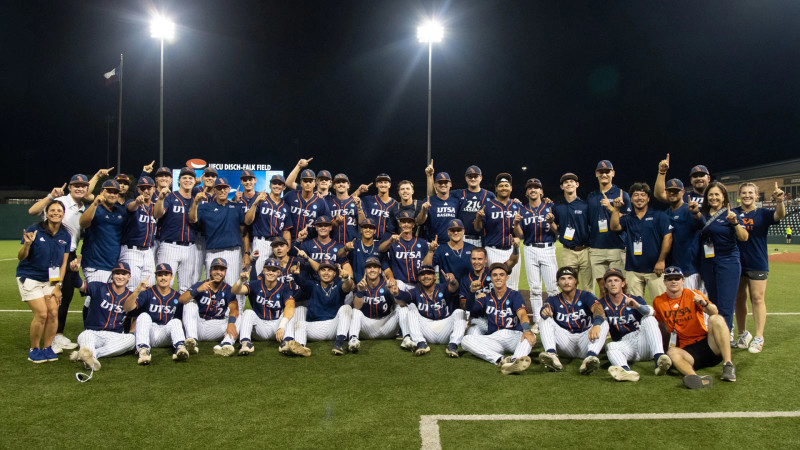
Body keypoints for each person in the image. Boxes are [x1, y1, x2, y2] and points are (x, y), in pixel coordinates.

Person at [27, 173, 90, 352]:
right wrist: (50, 197)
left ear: (87, 189)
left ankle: (58, 335)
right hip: (53, 254)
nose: (79, 188)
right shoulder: (59, 201)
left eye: (83, 186)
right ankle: (50, 338)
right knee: (53, 297)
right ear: (69, 187)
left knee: (66, 296)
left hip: (70, 254)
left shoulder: (83, 208)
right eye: (76, 185)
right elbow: (32, 211)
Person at [653, 266, 736, 389]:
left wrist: (704, 303)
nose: (673, 281)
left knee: (716, 319)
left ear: (683, 281)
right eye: (670, 279)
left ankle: (728, 365)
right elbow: (661, 327)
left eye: (677, 278)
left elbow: (714, 312)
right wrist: (661, 351)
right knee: (672, 352)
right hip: (688, 352)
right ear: (664, 282)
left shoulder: (693, 294)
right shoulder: (658, 301)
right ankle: (695, 378)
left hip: (708, 345)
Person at [733, 182, 786, 353]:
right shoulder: (733, 213)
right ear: (739, 195)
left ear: (756, 195)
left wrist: (780, 201)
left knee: (757, 298)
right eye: (744, 193)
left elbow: (780, 215)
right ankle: (742, 334)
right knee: (739, 299)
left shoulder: (763, 213)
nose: (747, 195)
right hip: (737, 262)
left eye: (751, 192)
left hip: (757, 262)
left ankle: (759, 337)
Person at [17, 200, 71, 363]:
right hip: (30, 277)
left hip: (51, 280)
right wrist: (27, 245)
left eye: (59, 211)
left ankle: (47, 348)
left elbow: (63, 264)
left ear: (63, 214)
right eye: (52, 210)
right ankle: (34, 349)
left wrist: (58, 286)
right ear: (46, 213)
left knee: (53, 313)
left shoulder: (65, 235)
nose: (56, 213)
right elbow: (21, 257)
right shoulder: (34, 229)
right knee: (41, 314)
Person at [692, 181, 748, 333]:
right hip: (708, 263)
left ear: (723, 197)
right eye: (710, 195)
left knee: (726, 305)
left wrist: (735, 223)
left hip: (728, 262)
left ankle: (726, 336)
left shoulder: (731, 214)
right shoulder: (701, 215)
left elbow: (744, 237)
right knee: (713, 303)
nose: (714, 197)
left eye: (717, 194)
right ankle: (716, 335)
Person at [461, 263, 536, 375]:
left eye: (501, 275)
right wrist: (471, 293)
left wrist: (526, 329)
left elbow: (522, 314)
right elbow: (470, 308)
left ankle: (514, 360)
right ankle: (501, 359)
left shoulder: (514, 295)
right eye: (495, 275)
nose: (498, 277)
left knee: (530, 336)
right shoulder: (486, 297)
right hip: (495, 338)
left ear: (507, 277)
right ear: (491, 278)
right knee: (465, 340)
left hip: (513, 336)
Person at [598, 269, 672, 382]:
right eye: (609, 281)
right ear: (605, 285)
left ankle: (659, 359)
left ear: (623, 283)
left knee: (649, 318)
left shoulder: (634, 299)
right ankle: (625, 371)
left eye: (616, 280)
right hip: (626, 346)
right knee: (611, 346)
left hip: (643, 341)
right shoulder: (601, 304)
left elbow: (651, 312)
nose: (613, 283)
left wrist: (637, 306)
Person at [69, 262, 146, 370]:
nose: (120, 277)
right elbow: (80, 285)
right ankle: (90, 358)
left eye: (123, 274)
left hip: (114, 336)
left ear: (129, 276)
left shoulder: (130, 296)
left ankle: (91, 355)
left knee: (131, 339)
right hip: (93, 333)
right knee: (85, 335)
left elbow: (137, 315)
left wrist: (132, 330)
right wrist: (75, 272)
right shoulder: (99, 287)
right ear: (112, 275)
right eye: (117, 273)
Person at [189, 177, 250, 310]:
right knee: (212, 285)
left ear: (228, 189)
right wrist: (195, 203)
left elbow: (244, 232)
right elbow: (192, 220)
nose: (222, 190)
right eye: (219, 188)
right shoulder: (205, 207)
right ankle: (212, 313)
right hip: (212, 252)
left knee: (234, 285)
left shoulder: (236, 207)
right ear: (215, 190)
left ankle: (236, 317)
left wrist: (246, 253)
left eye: (224, 188)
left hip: (233, 251)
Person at [537, 266, 609, 374]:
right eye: (563, 279)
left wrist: (596, 324)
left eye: (570, 278)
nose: (566, 282)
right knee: (544, 320)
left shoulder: (586, 296)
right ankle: (552, 355)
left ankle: (590, 358)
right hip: (564, 342)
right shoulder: (553, 300)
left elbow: (598, 309)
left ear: (576, 281)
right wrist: (544, 311)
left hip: (586, 341)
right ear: (558, 283)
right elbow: (546, 307)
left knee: (603, 322)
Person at [609, 182, 672, 301]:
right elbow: (614, 227)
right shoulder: (628, 218)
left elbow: (668, 238)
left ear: (648, 199)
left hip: (655, 269)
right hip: (633, 270)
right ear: (631, 199)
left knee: (661, 304)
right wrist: (616, 209)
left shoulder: (659, 216)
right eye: (636, 195)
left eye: (643, 195)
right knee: (634, 305)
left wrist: (661, 261)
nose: (639, 198)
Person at [232, 257, 306, 356]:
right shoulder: (255, 284)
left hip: (277, 327)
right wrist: (240, 281)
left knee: (289, 314)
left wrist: (281, 326)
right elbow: (235, 291)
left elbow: (290, 306)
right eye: (268, 270)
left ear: (279, 273)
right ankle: (246, 343)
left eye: (274, 270)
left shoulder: (284, 287)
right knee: (248, 312)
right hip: (260, 327)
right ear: (263, 271)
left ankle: (287, 342)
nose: (271, 273)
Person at [514, 177, 558, 328]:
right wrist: (516, 224)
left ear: (541, 191)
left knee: (552, 287)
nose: (533, 189)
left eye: (536, 187)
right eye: (530, 187)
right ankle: (538, 322)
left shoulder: (550, 207)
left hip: (548, 248)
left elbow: (558, 231)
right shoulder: (522, 210)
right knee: (535, 288)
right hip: (530, 249)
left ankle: (555, 319)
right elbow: (520, 235)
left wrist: (552, 222)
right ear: (526, 192)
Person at [395, 265, 466, 357]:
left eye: (429, 273)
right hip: (426, 330)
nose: (426, 276)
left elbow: (454, 288)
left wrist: (453, 281)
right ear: (419, 278)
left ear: (434, 276)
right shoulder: (415, 291)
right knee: (412, 312)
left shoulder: (443, 287)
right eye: (422, 274)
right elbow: (405, 296)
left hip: (445, 327)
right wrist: (396, 292)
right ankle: (421, 343)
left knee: (459, 312)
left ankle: (453, 345)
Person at [586, 160, 631, 296]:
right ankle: (605, 311)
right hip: (596, 248)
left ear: (613, 173)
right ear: (596, 174)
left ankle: (621, 310)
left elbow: (629, 220)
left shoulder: (622, 194)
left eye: (607, 171)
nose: (604, 174)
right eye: (601, 172)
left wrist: (612, 208)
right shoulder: (592, 196)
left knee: (619, 288)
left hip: (616, 246)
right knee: (603, 289)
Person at [179, 258, 240, 356]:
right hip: (199, 326)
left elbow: (234, 308)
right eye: (215, 269)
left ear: (225, 272)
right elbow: (181, 299)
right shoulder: (200, 285)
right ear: (210, 270)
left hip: (217, 327)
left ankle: (226, 344)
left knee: (239, 316)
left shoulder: (228, 289)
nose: (218, 272)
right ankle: (192, 341)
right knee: (189, 303)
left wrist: (231, 323)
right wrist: (197, 290)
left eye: (222, 269)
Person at [290, 262, 354, 355]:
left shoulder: (339, 285)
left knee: (347, 308)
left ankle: (339, 344)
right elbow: (301, 282)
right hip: (315, 326)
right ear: (319, 273)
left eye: (329, 270)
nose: (326, 273)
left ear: (334, 274)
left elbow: (347, 287)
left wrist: (347, 278)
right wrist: (296, 274)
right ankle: (301, 347)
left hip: (333, 327)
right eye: (323, 270)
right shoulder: (313, 285)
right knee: (299, 324)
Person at [132, 263, 190, 364]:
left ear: (171, 276)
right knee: (144, 316)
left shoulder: (177, 296)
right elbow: (134, 313)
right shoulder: (147, 293)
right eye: (160, 275)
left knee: (176, 321)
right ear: (156, 277)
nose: (163, 278)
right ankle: (143, 350)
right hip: (148, 333)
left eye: (166, 274)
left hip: (165, 334)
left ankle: (180, 347)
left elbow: (179, 320)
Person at [473, 173, 523, 289]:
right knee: (494, 286)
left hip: (512, 250)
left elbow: (520, 235)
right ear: (496, 189)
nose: (504, 188)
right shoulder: (487, 206)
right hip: (492, 251)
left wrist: (516, 224)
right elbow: (478, 228)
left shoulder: (517, 206)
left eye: (506, 185)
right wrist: (478, 219)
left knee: (513, 287)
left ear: (511, 188)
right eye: (501, 186)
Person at [154, 167, 198, 293]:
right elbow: (157, 214)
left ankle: (182, 307)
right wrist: (160, 199)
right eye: (184, 178)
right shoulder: (170, 197)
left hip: (190, 248)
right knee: (164, 285)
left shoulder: (196, 201)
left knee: (186, 288)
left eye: (190, 178)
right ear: (179, 181)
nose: (187, 180)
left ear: (194, 181)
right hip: (169, 246)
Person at [459, 247, 519, 336]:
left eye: (480, 259)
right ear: (470, 259)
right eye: (474, 259)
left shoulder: (494, 273)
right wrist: (473, 295)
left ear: (486, 260)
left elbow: (512, 261)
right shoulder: (465, 279)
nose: (476, 262)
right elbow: (464, 305)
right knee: (471, 337)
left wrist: (516, 248)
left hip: (498, 316)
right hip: (479, 319)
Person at [348, 257, 402, 352]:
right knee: (356, 312)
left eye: (375, 267)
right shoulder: (360, 285)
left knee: (401, 308)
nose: (372, 270)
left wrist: (394, 293)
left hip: (386, 325)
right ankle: (353, 339)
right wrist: (360, 292)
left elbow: (400, 303)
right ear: (365, 271)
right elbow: (356, 307)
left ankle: (407, 337)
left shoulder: (387, 284)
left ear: (380, 270)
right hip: (367, 327)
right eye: (369, 267)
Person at [550, 172, 593, 292]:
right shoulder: (557, 207)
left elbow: (592, 226)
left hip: (586, 251)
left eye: (571, 181)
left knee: (588, 288)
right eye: (566, 182)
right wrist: (550, 222)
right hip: (568, 251)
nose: (569, 184)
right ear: (562, 186)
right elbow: (556, 229)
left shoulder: (585, 205)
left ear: (577, 185)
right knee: (568, 286)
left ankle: (588, 306)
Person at [660, 178, 704, 291]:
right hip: (672, 268)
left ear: (683, 192)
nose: (672, 193)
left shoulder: (689, 210)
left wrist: (696, 212)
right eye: (670, 191)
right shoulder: (665, 214)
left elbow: (702, 224)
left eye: (676, 191)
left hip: (689, 269)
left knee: (692, 300)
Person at [244, 174, 294, 273]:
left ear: (284, 187)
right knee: (261, 274)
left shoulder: (285, 207)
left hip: (278, 244)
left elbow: (286, 230)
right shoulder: (261, 199)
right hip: (262, 242)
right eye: (274, 183)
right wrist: (255, 203)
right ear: (270, 185)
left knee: (278, 274)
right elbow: (247, 221)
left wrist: (288, 247)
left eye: (280, 184)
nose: (277, 186)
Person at [120, 176, 157, 290]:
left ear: (154, 189)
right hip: (131, 251)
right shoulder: (131, 202)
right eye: (142, 188)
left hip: (148, 251)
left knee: (149, 286)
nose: (146, 191)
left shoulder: (155, 207)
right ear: (138, 190)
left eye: (148, 188)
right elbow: (131, 208)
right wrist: (136, 202)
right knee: (131, 287)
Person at [380, 210, 430, 292]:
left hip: (419, 283)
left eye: (409, 222)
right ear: (399, 224)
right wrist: (390, 241)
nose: (406, 224)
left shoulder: (422, 242)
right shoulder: (393, 242)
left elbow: (429, 264)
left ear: (413, 225)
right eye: (403, 222)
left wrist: (431, 251)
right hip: (400, 283)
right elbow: (381, 250)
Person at [284, 168, 331, 242]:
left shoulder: (320, 201)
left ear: (314, 183)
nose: (308, 183)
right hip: (290, 240)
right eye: (305, 181)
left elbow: (328, 222)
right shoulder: (290, 196)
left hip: (311, 243)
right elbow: (277, 205)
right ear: (301, 183)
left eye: (310, 181)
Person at [454, 165, 495, 247]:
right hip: (462, 238)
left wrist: (514, 201)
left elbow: (501, 204)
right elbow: (438, 197)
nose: (473, 179)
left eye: (475, 176)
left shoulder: (489, 195)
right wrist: (430, 177)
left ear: (481, 178)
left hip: (482, 239)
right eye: (470, 176)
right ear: (466, 178)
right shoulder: (459, 193)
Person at [419, 166, 459, 243]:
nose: (443, 185)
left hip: (452, 243)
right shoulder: (428, 201)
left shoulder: (456, 201)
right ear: (435, 185)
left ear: (450, 184)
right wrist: (424, 211)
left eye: (445, 182)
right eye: (440, 182)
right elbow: (420, 221)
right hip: (433, 242)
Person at [338, 218, 382, 283]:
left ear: (375, 231)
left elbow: (386, 268)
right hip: (356, 285)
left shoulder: (379, 246)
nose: (368, 230)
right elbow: (339, 255)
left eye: (371, 228)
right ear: (361, 230)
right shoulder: (354, 244)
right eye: (365, 227)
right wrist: (345, 248)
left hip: (374, 285)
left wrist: (391, 278)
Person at [360, 173, 398, 239]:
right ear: (376, 185)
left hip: (388, 242)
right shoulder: (368, 200)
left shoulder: (396, 204)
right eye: (380, 182)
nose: (383, 185)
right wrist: (359, 191)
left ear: (389, 185)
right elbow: (349, 200)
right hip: (370, 240)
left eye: (385, 182)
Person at [327, 173, 363, 244]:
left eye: (343, 182)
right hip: (333, 245)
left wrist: (359, 208)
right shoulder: (328, 203)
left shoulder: (356, 201)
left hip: (353, 243)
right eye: (338, 182)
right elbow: (324, 227)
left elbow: (362, 223)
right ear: (334, 186)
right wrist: (335, 223)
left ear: (348, 185)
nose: (341, 184)